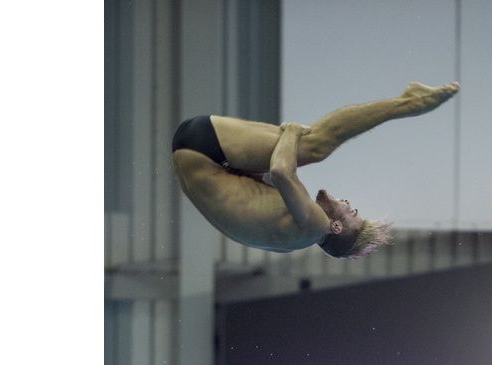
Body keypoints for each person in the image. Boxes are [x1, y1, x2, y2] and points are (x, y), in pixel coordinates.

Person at [171, 81, 460, 259]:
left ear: (336, 227)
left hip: (204, 151)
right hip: (198, 158)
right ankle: (407, 101)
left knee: (315, 146)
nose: (349, 204)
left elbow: (281, 171)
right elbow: (254, 191)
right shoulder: (290, 240)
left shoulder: (316, 226)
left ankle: (410, 102)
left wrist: (292, 132)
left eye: (353, 213)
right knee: (306, 148)